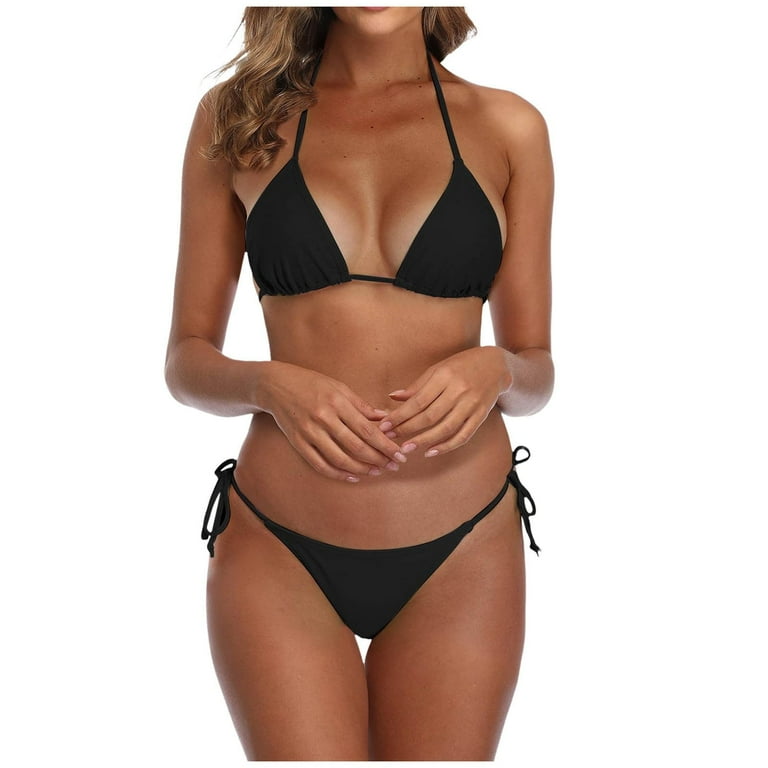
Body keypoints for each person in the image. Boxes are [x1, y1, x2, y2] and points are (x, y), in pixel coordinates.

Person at [165, 6, 554, 761]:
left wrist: (498, 367)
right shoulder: (240, 115)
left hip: (463, 548)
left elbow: (536, 368)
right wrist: (269, 386)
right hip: (278, 544)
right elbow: (186, 361)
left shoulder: (509, 127)